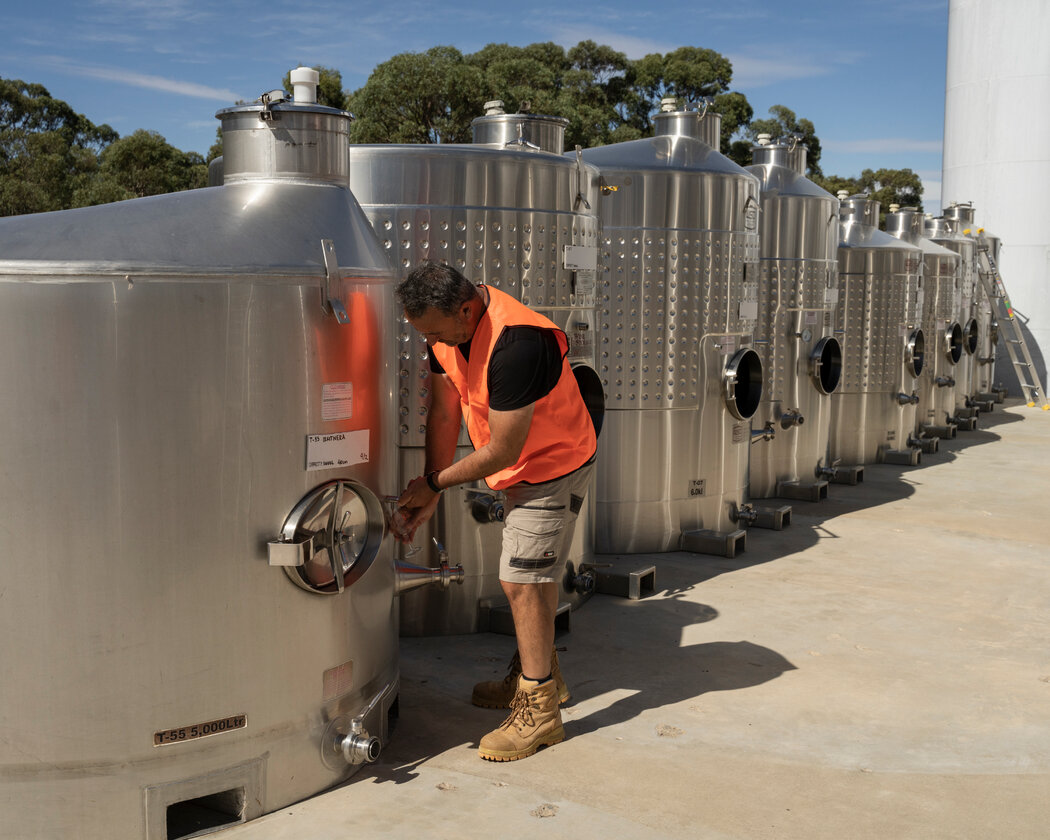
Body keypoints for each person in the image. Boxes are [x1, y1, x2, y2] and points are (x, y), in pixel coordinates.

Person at [393, 261, 597, 762]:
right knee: (532, 575)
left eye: (436, 331)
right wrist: (432, 486)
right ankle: (538, 671)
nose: (430, 340)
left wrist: (434, 483)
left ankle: (540, 709)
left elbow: (504, 450)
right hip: (521, 466)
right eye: (423, 333)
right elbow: (443, 411)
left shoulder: (518, 342)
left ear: (466, 309)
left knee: (522, 580)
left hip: (553, 463)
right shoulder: (444, 331)